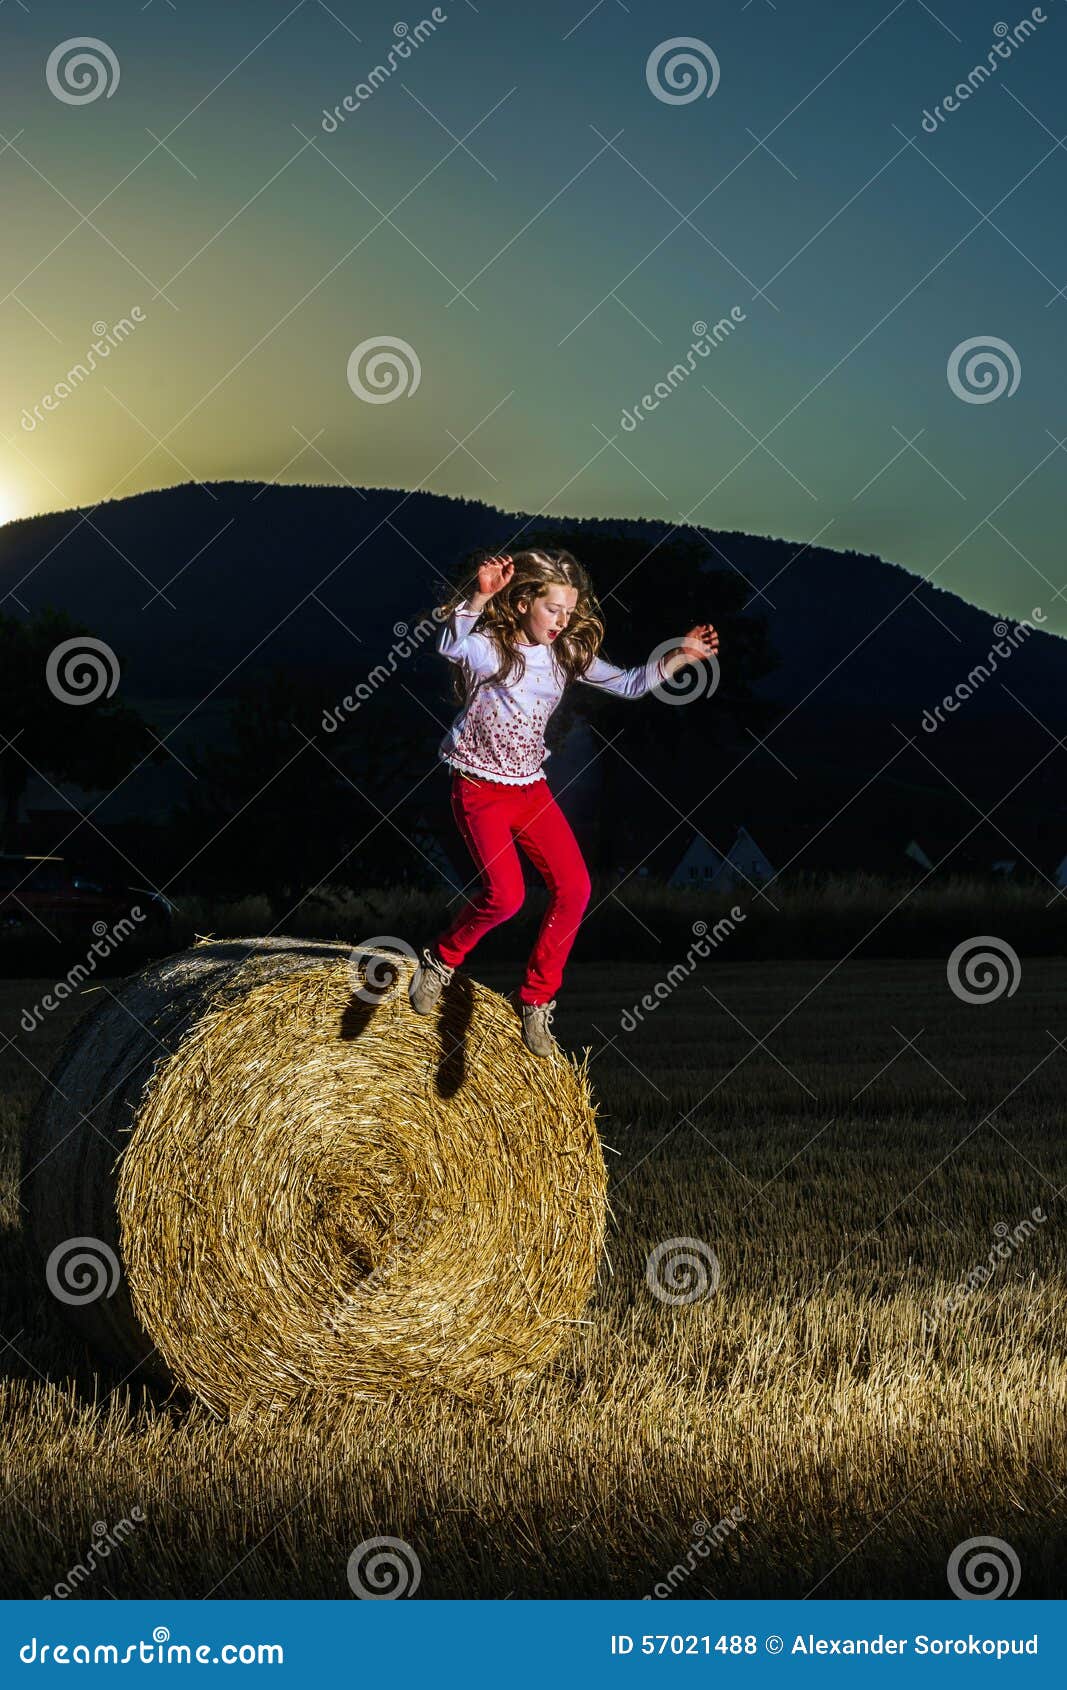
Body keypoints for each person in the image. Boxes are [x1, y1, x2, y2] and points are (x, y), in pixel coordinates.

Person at [408, 547, 719, 1058]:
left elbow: (631, 683)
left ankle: (535, 1003)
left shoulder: (565, 656)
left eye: (569, 612)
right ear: (525, 599)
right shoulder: (490, 649)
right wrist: (481, 594)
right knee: (505, 897)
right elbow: (448, 644)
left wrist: (680, 656)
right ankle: (440, 961)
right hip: (479, 788)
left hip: (530, 789)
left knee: (574, 888)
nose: (562, 620)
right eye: (553, 608)